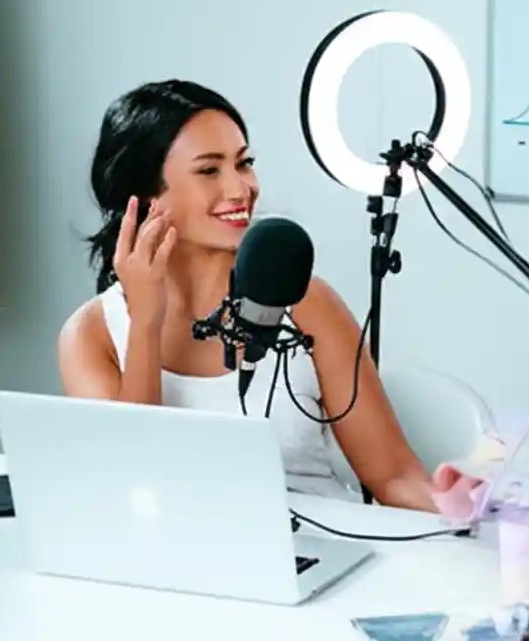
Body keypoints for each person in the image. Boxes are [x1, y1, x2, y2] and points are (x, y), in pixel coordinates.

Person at [57, 79, 480, 516]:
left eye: (244, 163)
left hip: (319, 553)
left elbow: (394, 476)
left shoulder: (305, 301)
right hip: (178, 566)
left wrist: (460, 500)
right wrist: (145, 323)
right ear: (144, 197)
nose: (241, 189)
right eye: (209, 170)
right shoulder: (91, 334)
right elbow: (133, 483)